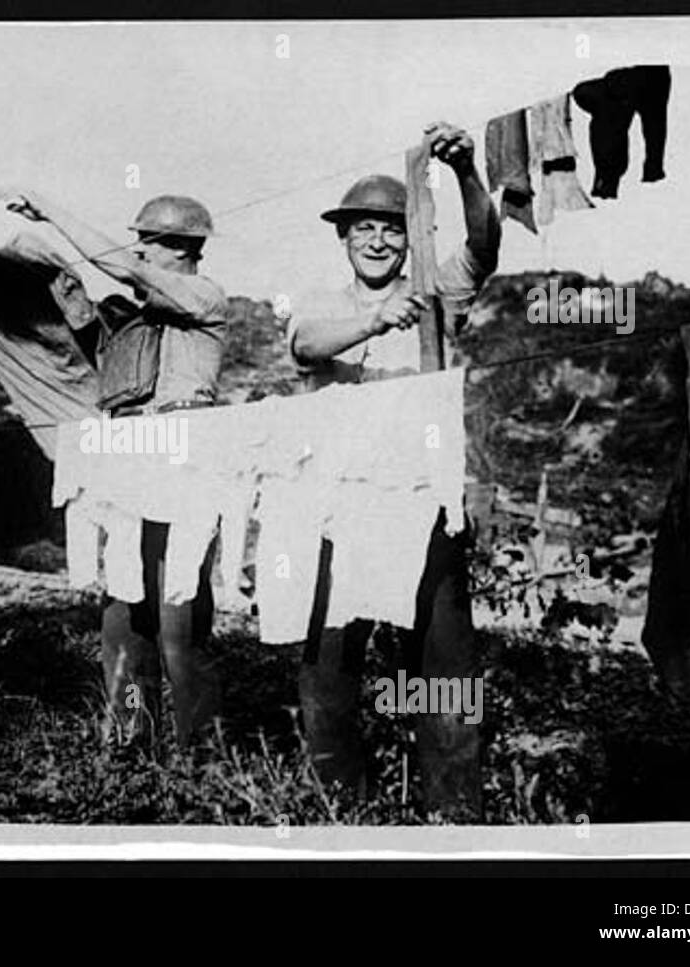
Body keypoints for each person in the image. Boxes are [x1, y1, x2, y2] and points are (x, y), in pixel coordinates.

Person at [285, 122, 500, 817]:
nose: (378, 241)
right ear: (343, 239)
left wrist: (466, 171)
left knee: (442, 669)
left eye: (391, 228)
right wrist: (377, 320)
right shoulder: (327, 304)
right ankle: (339, 811)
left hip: (423, 508)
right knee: (330, 670)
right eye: (363, 230)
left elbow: (486, 245)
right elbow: (307, 346)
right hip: (341, 511)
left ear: (409, 236)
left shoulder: (436, 295)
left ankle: (451, 811)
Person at [0, 187, 229, 745]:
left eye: (151, 242)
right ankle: (130, 740)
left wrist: (55, 210)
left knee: (180, 618)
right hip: (129, 454)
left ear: (186, 247)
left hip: (184, 454)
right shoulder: (142, 318)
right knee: (124, 614)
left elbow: (126, 270)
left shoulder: (203, 295)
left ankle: (200, 754)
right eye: (142, 241)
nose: (142, 251)